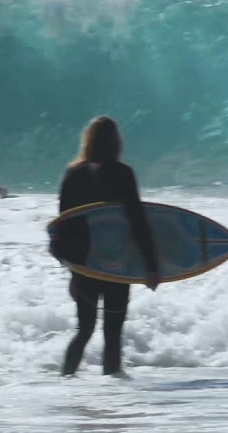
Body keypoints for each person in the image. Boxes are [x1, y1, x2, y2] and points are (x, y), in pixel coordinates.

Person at [54, 116, 160, 378]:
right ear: (116, 143)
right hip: (116, 266)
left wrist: (71, 269)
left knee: (84, 330)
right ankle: (112, 399)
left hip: (85, 266)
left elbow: (63, 226)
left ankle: (64, 383)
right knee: (113, 334)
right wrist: (152, 266)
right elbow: (137, 222)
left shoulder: (72, 174)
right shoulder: (123, 174)